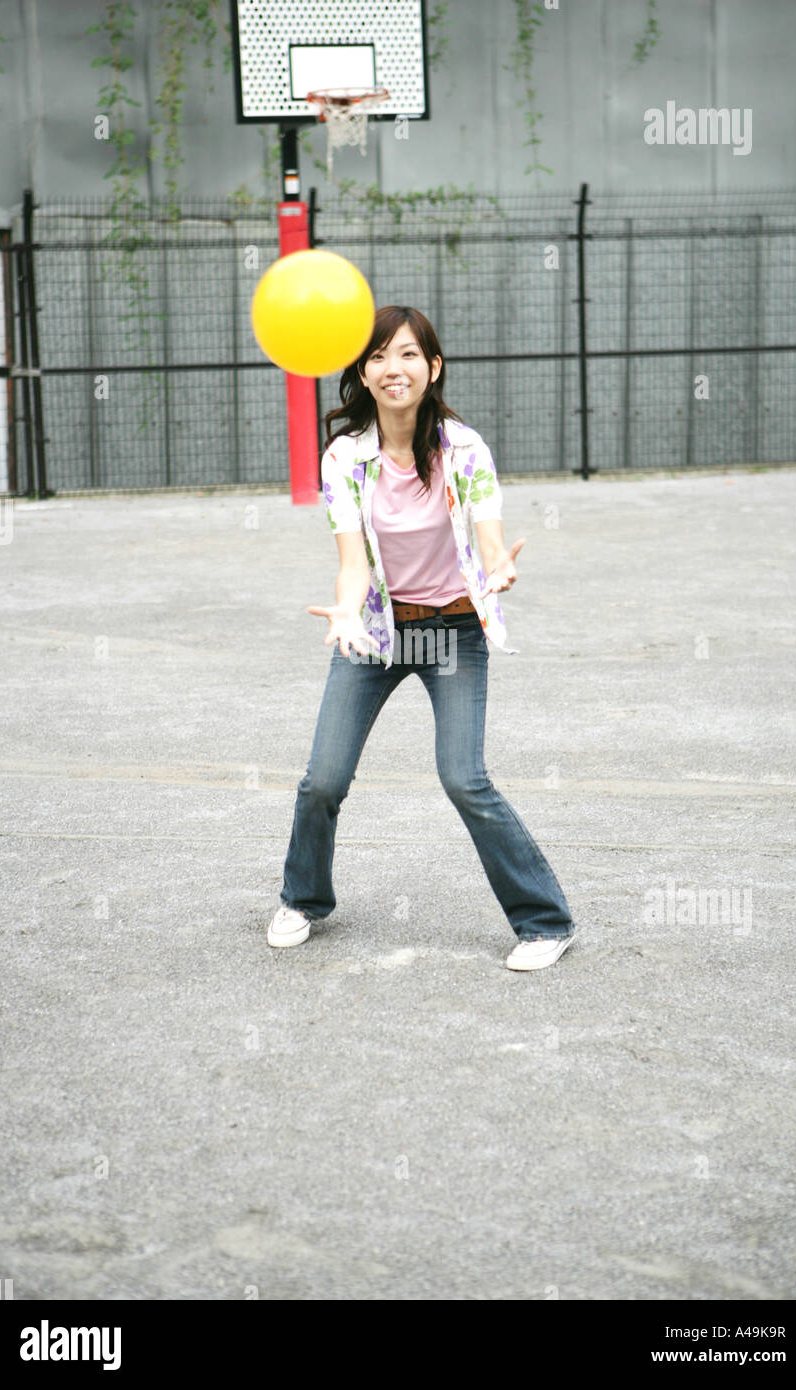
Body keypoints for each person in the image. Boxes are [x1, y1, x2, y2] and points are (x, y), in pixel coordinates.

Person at [268, 306, 576, 971]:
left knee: (464, 779)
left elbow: (491, 542)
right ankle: (304, 898)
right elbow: (352, 563)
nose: (392, 368)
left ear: (432, 367)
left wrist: (501, 569)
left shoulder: (464, 448)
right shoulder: (346, 457)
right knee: (322, 779)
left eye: (408, 354)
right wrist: (347, 614)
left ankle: (546, 921)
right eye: (378, 356)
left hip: (452, 632)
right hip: (380, 632)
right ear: (362, 371)